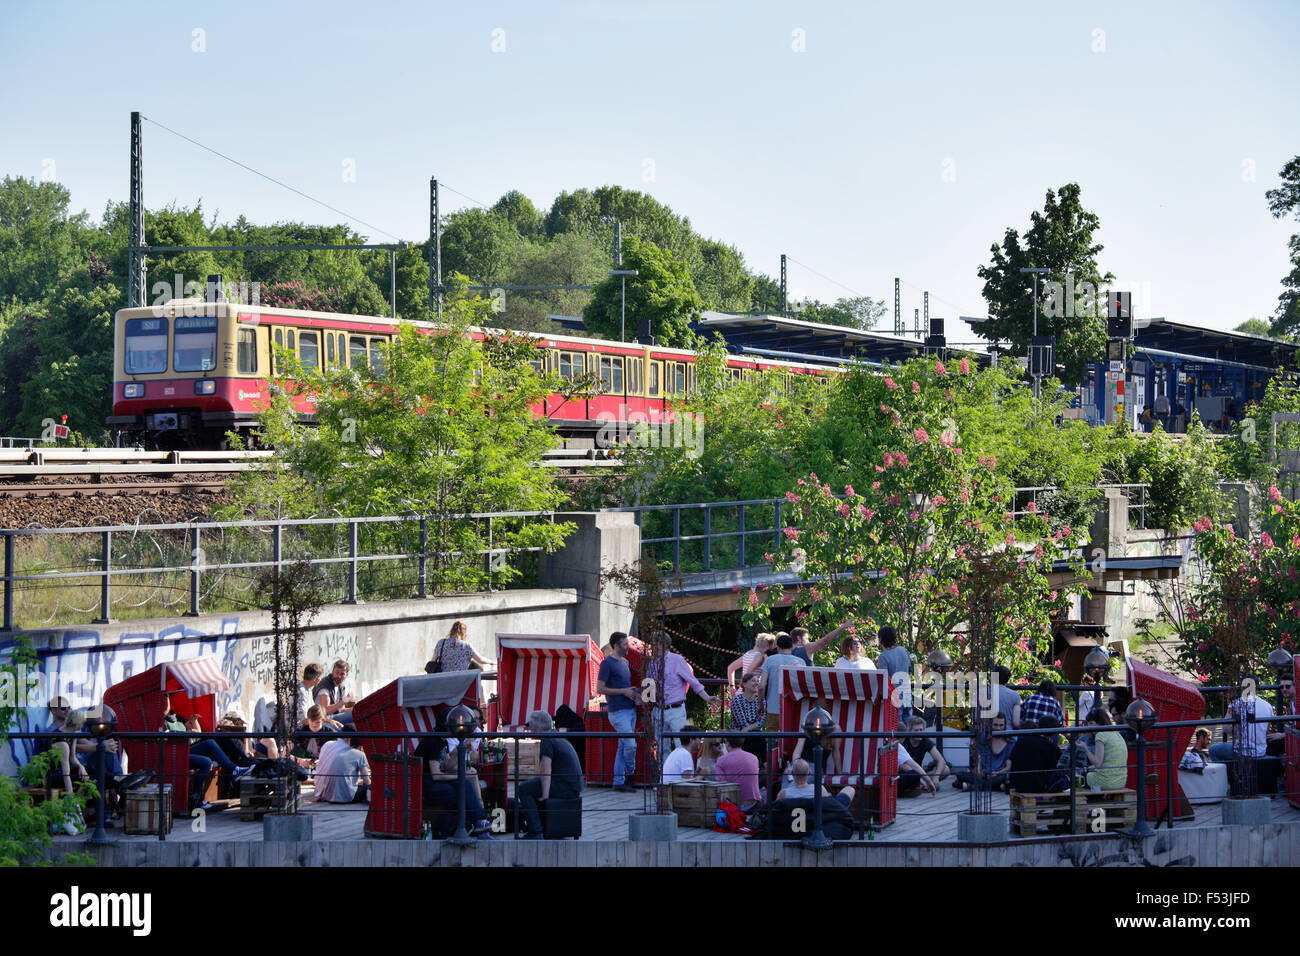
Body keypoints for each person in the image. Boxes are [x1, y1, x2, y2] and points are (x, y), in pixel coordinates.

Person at [518, 710, 584, 839]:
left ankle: (535, 831)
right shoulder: (556, 736)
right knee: (531, 786)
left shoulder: (547, 740)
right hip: (573, 785)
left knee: (523, 788)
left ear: (538, 728)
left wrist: (545, 795)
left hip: (566, 786)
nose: (529, 729)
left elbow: (545, 769)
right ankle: (538, 827)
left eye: (531, 726)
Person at [648, 639, 716, 752]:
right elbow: (648, 685)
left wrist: (707, 697)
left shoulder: (677, 660)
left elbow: (693, 681)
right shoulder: (652, 662)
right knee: (662, 748)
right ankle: (665, 765)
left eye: (657, 644)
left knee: (681, 745)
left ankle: (683, 764)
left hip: (675, 710)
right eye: (653, 644)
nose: (654, 647)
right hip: (658, 710)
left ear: (666, 645)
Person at [596, 630, 640, 793]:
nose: (628, 646)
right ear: (616, 646)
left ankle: (619, 782)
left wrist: (634, 693)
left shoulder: (625, 662)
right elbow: (600, 688)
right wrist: (624, 691)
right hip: (618, 711)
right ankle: (630, 774)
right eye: (625, 644)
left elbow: (625, 685)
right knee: (630, 745)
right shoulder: (606, 664)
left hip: (630, 709)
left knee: (623, 746)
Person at [954, 712, 1015, 792]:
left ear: (1005, 725)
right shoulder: (984, 739)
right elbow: (978, 761)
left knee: (1006, 777)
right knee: (960, 775)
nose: (998, 728)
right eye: (995, 725)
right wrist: (980, 772)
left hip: (999, 775)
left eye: (1001, 725)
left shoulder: (1010, 742)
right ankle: (996, 787)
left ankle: (972, 786)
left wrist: (997, 773)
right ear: (990, 725)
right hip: (984, 775)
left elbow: (1008, 767)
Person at [1209, 694, 1275, 763]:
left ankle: (1224, 769)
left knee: (1213, 750)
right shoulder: (1267, 705)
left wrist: (1236, 733)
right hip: (1260, 751)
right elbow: (1266, 730)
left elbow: (1226, 728)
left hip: (1241, 751)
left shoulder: (1236, 703)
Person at [1010, 714, 1068, 793]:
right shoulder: (1051, 747)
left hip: (1019, 785)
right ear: (1054, 732)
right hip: (1039, 787)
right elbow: (1054, 768)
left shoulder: (1021, 741)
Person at [760, 634, 807, 731]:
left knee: (772, 737)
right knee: (790, 737)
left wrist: (760, 704)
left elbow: (761, 687)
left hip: (773, 708)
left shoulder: (769, 660)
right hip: (793, 708)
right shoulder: (801, 662)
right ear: (792, 647)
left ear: (777, 647)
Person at [1076, 707, 1128, 791]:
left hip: (1106, 782)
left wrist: (1085, 748)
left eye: (1091, 723)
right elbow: (1105, 763)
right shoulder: (1116, 733)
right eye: (1088, 724)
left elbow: (1097, 764)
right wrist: (1086, 769)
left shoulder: (1100, 735)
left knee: (1080, 778)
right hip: (1120, 781)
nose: (1089, 727)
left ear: (1099, 722)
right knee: (1087, 773)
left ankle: (1092, 799)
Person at [313, 736, 370, 804]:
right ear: (361, 747)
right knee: (369, 788)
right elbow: (366, 780)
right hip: (347, 798)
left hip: (329, 797)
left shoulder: (338, 752)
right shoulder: (360, 754)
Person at [875, 626, 913, 721]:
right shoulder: (903, 650)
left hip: (894, 694)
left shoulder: (883, 657)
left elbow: (885, 679)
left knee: (897, 725)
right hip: (907, 691)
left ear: (880, 639)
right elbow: (909, 671)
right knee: (909, 724)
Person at [429, 620, 495, 674]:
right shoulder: (466, 646)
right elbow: (480, 659)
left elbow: (432, 661)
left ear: (451, 630)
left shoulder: (441, 643)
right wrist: (493, 662)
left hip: (443, 679)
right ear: (463, 633)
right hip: (461, 680)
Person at [715, 736, 763, 808]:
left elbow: (722, 785)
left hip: (733, 805)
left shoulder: (721, 760)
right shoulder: (754, 757)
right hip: (754, 803)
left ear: (728, 744)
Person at [901, 715, 949, 785]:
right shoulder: (904, 741)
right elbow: (903, 766)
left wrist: (936, 777)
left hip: (920, 773)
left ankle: (925, 785)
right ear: (910, 731)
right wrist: (920, 778)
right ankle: (924, 785)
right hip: (907, 773)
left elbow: (941, 760)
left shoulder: (925, 740)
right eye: (916, 730)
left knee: (946, 770)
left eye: (921, 730)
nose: (919, 732)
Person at [316, 660, 356, 727]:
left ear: (346, 675)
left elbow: (340, 710)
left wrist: (352, 709)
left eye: (342, 674)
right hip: (323, 719)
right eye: (337, 672)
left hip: (332, 717)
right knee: (354, 716)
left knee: (358, 714)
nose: (339, 676)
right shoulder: (325, 686)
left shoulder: (341, 686)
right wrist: (344, 701)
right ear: (332, 672)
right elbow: (325, 711)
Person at [1267, 676, 1293, 757]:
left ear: (1295, 686)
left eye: (1287, 686)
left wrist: (1282, 735)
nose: (1284, 689)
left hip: (1295, 738)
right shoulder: (1291, 702)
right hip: (1292, 736)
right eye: (1282, 687)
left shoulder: (1296, 702)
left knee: (1271, 746)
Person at [994, 665, 1022, 731]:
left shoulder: (982, 692)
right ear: (1007, 679)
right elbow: (1016, 723)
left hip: (986, 734)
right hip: (1008, 734)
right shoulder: (1015, 695)